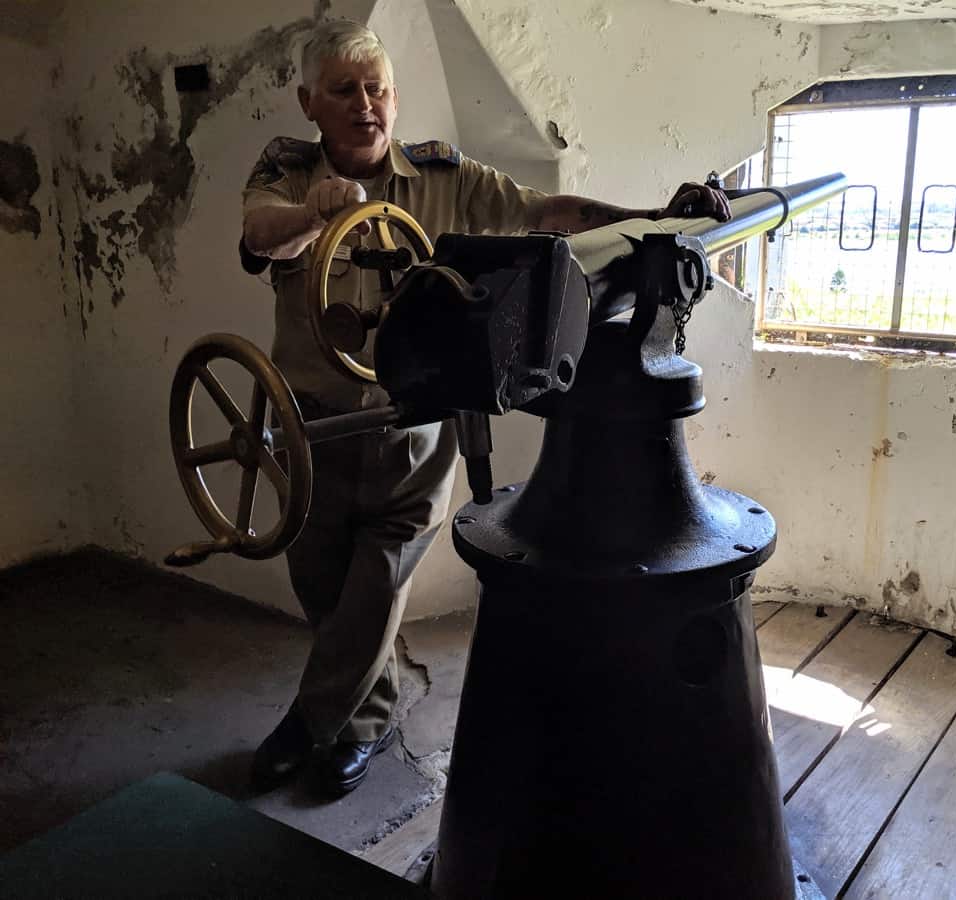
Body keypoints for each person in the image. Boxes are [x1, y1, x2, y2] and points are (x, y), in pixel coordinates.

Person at [240, 19, 730, 797]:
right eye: (343, 90)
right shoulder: (286, 170)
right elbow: (261, 236)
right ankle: (366, 717)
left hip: (411, 425)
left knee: (379, 577)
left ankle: (312, 724)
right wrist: (316, 213)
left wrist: (651, 217)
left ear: (395, 99)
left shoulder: (445, 174)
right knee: (328, 590)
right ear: (308, 101)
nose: (365, 104)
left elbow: (547, 212)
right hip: (309, 428)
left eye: (378, 90)